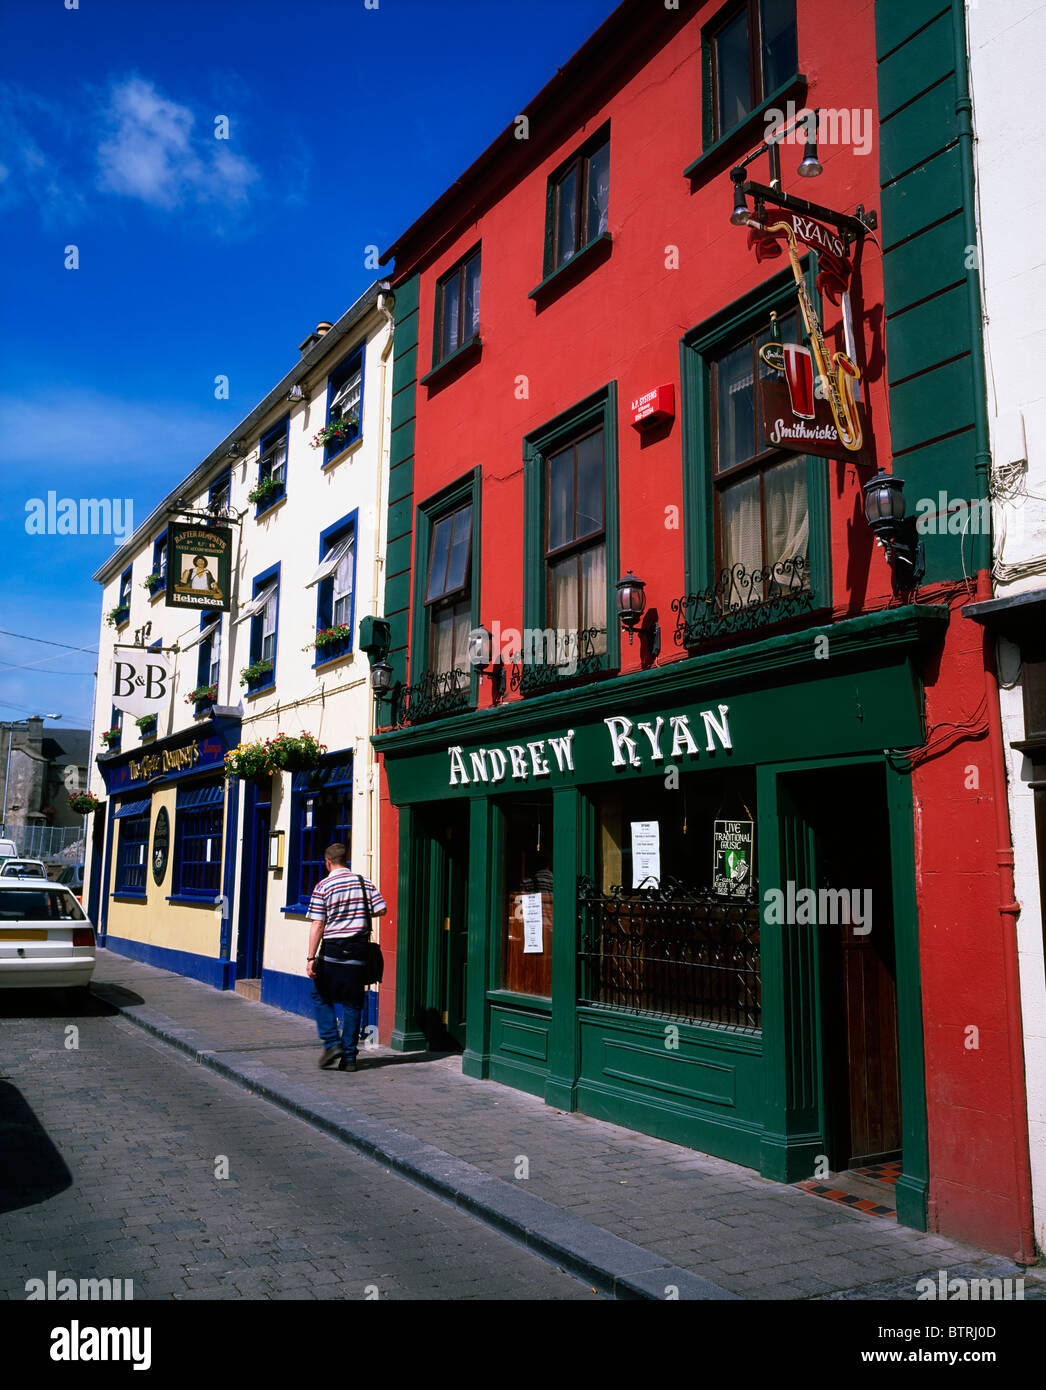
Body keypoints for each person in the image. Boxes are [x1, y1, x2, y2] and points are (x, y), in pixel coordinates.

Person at [306, 843, 386, 1071]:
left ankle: (332, 1043)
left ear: (327, 862)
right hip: (357, 954)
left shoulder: (323, 886)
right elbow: (382, 909)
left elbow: (318, 923)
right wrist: (359, 911)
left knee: (320, 995)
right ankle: (349, 1058)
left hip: (331, 953)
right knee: (353, 1003)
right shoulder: (364, 882)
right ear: (346, 860)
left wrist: (311, 958)